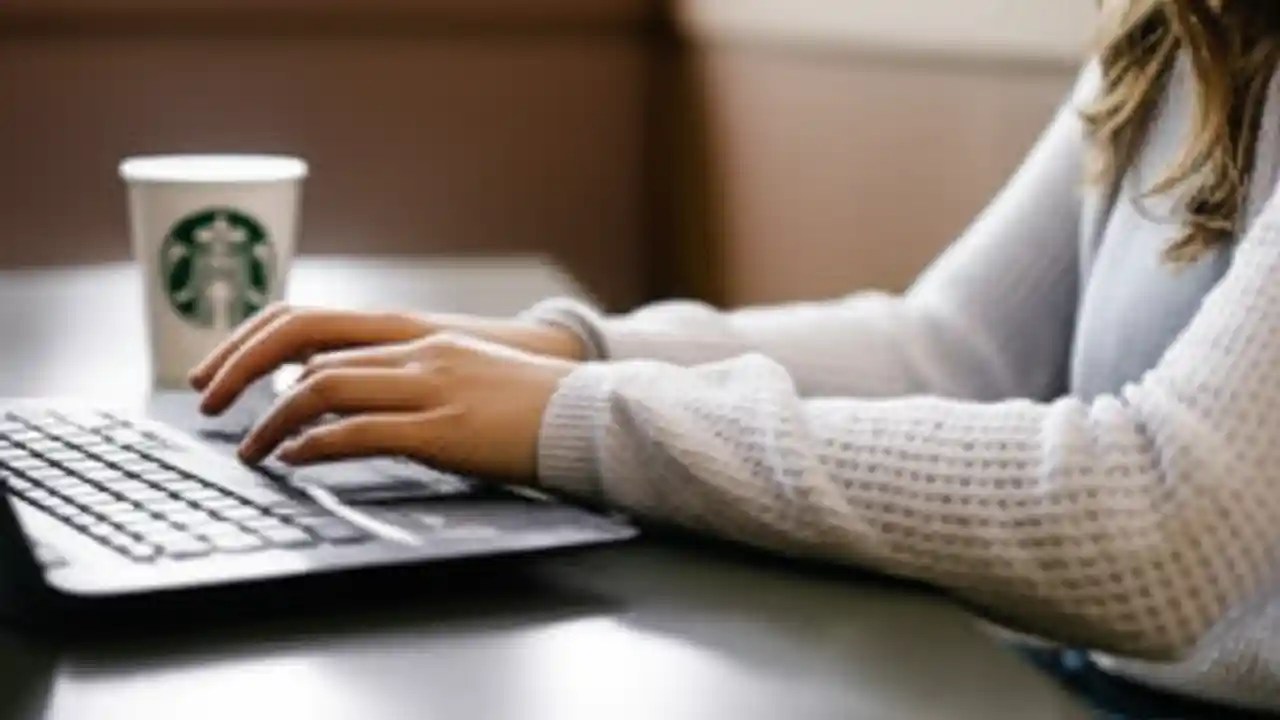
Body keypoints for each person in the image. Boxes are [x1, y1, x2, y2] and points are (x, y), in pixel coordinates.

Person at [188, 1, 1280, 716]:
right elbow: (948, 348)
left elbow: (1164, 530)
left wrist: (575, 413)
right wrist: (551, 351)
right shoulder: (1177, 30)